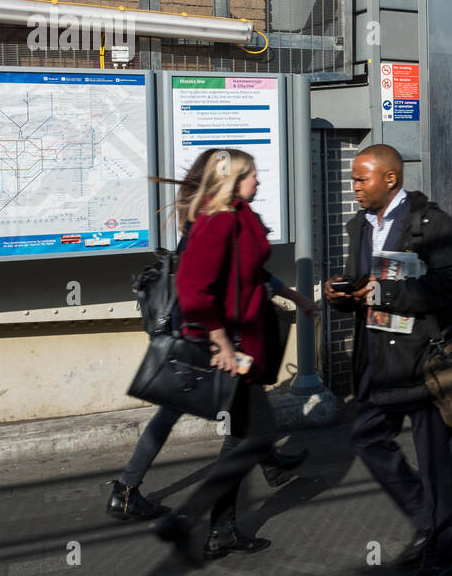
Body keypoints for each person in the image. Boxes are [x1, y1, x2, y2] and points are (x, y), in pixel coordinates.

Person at [107, 150, 314, 522]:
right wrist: (219, 340)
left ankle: (269, 463)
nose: (259, 180)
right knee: (176, 410)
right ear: (232, 180)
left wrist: (295, 296)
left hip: (217, 336)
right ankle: (126, 490)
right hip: (203, 338)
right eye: (252, 173)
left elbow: (249, 271)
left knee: (239, 410)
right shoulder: (212, 220)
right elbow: (203, 285)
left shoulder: (227, 215)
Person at [324, 144, 452, 576]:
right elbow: (360, 280)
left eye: (359, 180)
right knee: (366, 435)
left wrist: (389, 294)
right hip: (377, 360)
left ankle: (444, 554)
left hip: (425, 360)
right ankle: (425, 518)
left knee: (434, 462)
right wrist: (341, 293)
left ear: (389, 179)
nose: (353, 189)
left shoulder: (431, 223)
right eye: (352, 180)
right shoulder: (359, 226)